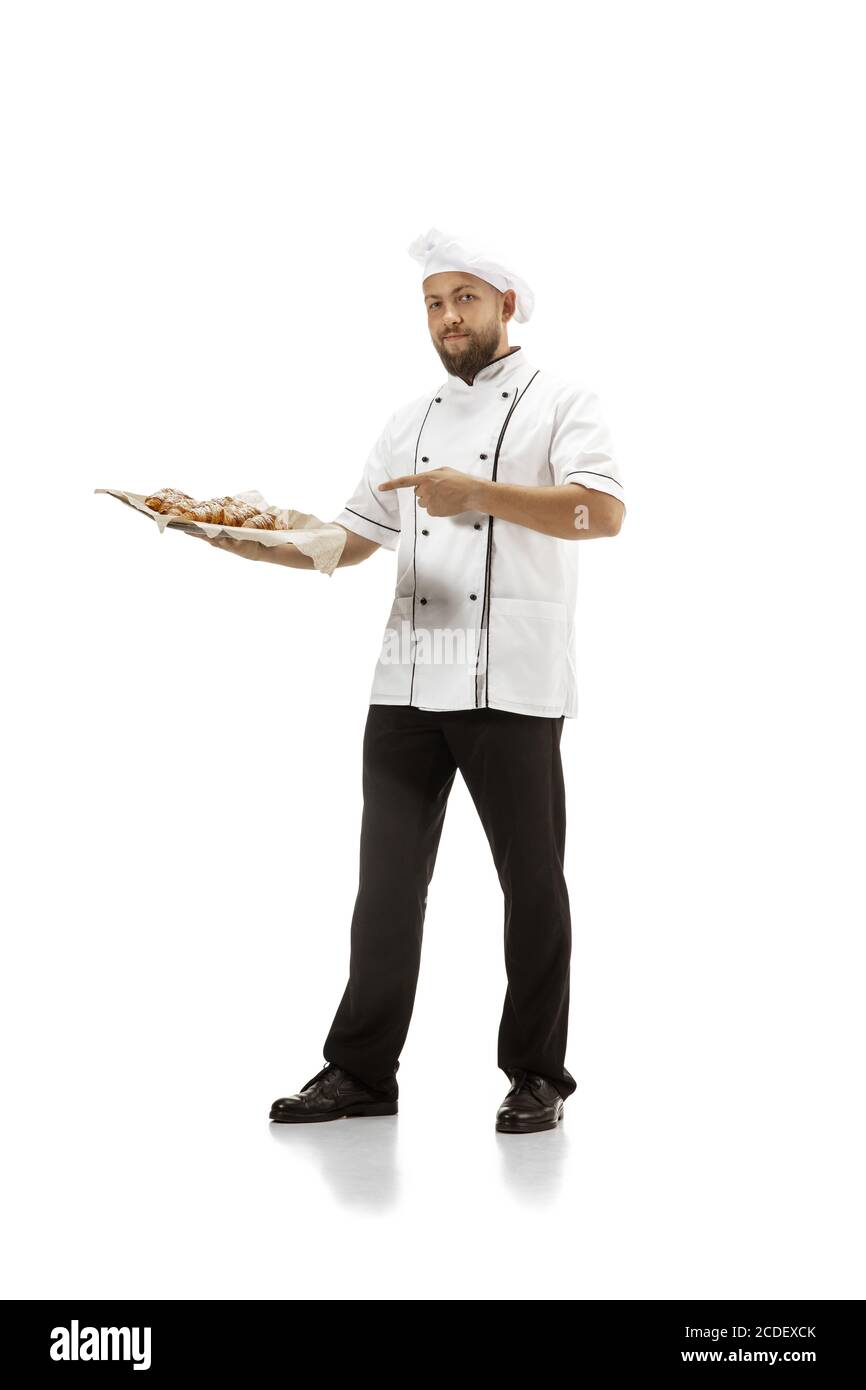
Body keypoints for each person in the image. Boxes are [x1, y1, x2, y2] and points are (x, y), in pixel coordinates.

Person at [202, 227, 626, 1134]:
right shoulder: (411, 417)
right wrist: (236, 538)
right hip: (408, 678)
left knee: (532, 885)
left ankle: (538, 1074)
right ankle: (359, 1072)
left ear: (506, 305)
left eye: (464, 299)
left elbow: (603, 512)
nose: (446, 319)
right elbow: (348, 541)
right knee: (386, 885)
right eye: (434, 304)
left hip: (512, 678)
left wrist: (477, 495)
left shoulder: (565, 401)